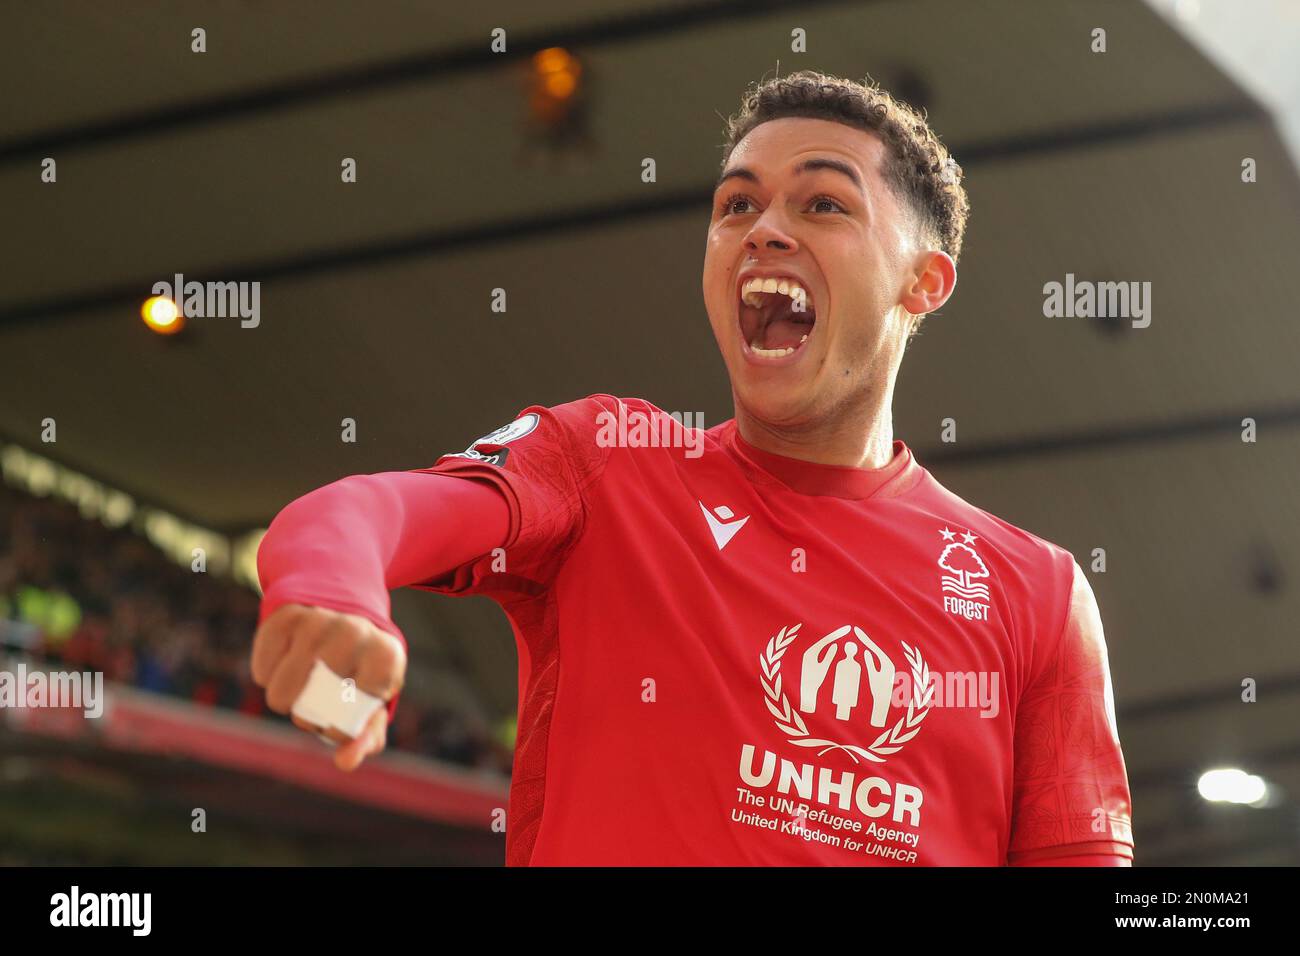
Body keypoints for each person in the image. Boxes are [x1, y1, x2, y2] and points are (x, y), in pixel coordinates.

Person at [252, 71, 1133, 866]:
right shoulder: (608, 463)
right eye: (736, 207)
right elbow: (366, 513)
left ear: (924, 280)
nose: (764, 232)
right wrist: (335, 590)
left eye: (823, 205)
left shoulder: (1037, 595)